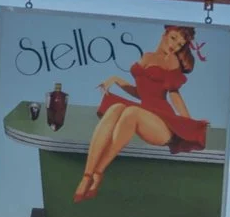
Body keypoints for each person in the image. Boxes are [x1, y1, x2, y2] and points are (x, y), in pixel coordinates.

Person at [75, 25, 207, 201]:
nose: (174, 46)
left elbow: (174, 95)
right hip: (144, 113)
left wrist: (188, 123)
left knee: (131, 112)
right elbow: (141, 93)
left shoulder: (172, 62)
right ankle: (88, 175)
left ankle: (100, 170)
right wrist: (116, 79)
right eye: (173, 38)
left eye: (180, 44)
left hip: (162, 123)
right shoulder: (147, 56)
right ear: (165, 34)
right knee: (115, 108)